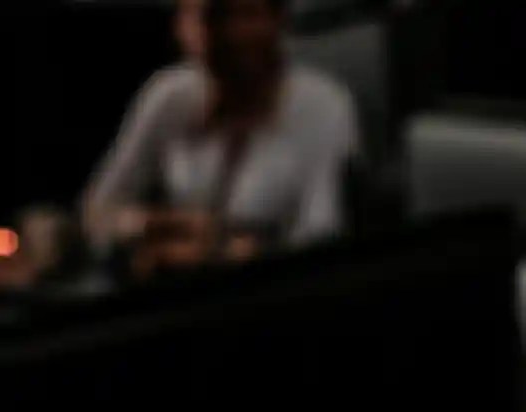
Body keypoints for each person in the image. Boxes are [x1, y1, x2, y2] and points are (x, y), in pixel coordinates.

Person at [83, 0, 360, 275]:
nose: (227, 33)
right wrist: (161, 225)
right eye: (207, 17)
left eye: (244, 15)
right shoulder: (168, 96)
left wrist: (221, 251)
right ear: (182, 26)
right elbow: (97, 214)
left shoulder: (323, 105)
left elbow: (324, 234)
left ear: (278, 20)